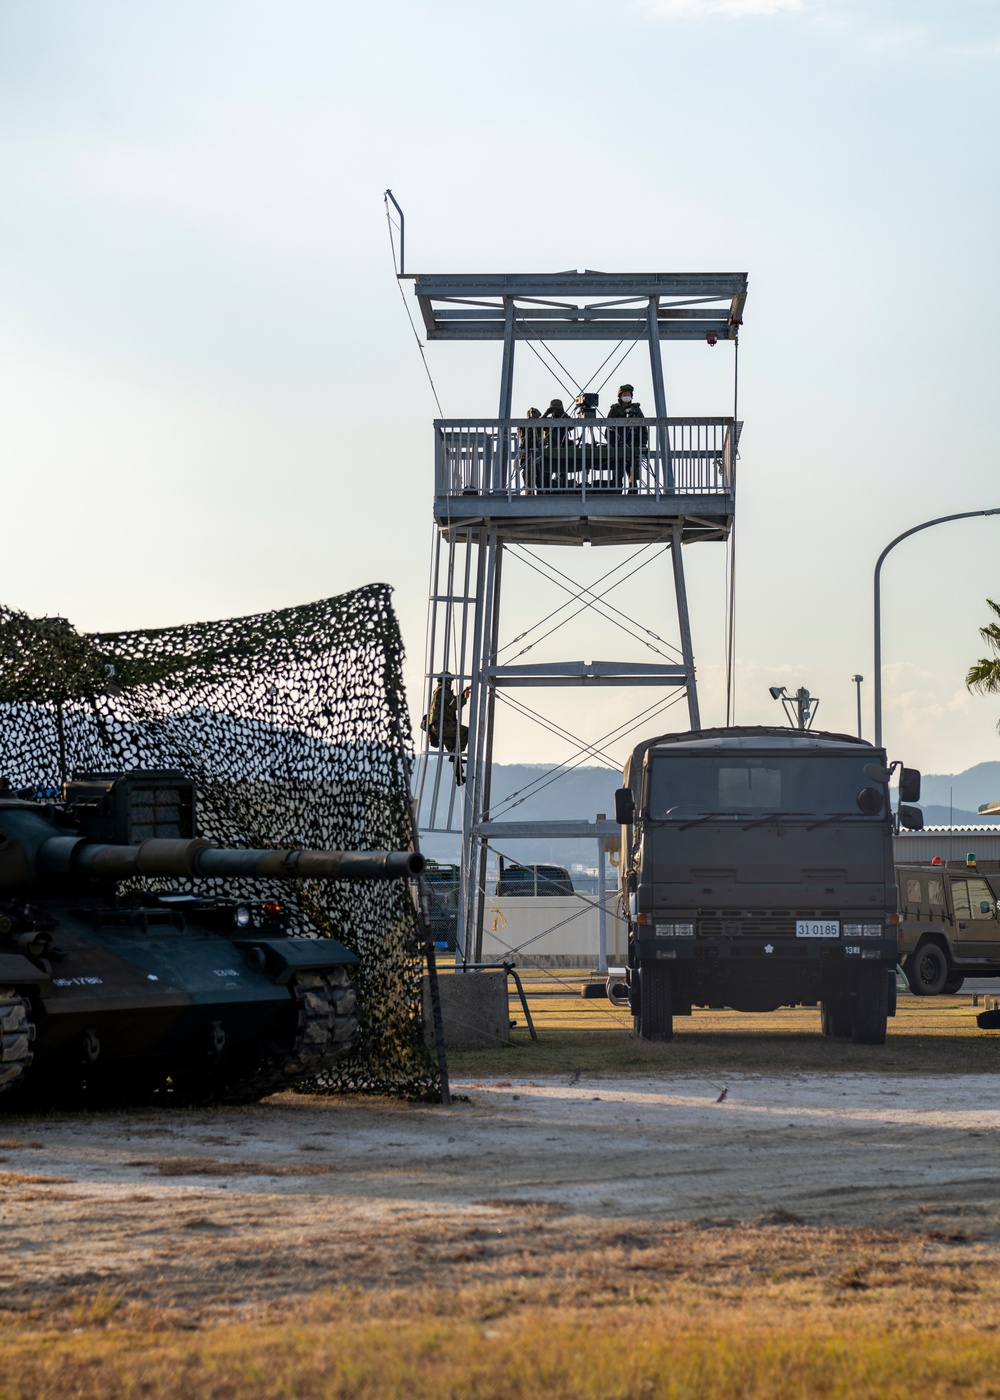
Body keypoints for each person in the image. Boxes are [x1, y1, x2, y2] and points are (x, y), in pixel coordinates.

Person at [423, 674, 471, 784]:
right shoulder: (443, 692)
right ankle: (456, 757)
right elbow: (455, 705)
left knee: (454, 748)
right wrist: (465, 698)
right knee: (466, 732)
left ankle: (459, 776)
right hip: (443, 726)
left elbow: (452, 702)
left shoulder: (438, 692)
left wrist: (463, 694)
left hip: (438, 728)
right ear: (448, 682)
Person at [606, 383, 648, 490]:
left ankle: (633, 490)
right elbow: (609, 426)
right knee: (617, 472)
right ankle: (617, 490)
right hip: (618, 445)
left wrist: (643, 442)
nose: (627, 396)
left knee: (633, 472)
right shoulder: (615, 409)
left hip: (633, 445)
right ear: (620, 396)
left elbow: (643, 426)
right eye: (624, 394)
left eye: (628, 394)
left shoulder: (636, 409)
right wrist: (610, 443)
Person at [541, 398, 573, 489]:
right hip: (549, 449)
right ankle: (546, 490)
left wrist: (563, 414)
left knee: (563, 471)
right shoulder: (547, 420)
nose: (556, 411)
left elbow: (572, 425)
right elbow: (538, 426)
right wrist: (546, 413)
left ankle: (563, 488)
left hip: (562, 449)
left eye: (558, 409)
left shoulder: (564, 419)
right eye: (554, 409)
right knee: (546, 473)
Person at [518, 407, 544, 493]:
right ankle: (530, 493)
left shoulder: (539, 426)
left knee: (539, 479)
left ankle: (535, 493)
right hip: (528, 455)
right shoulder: (524, 427)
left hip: (537, 455)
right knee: (529, 479)